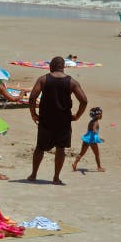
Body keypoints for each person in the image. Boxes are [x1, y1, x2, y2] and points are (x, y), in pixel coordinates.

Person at [28, 56, 88, 185]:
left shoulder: (43, 79)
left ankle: (33, 174)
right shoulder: (72, 82)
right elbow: (84, 100)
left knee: (40, 147)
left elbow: (32, 97)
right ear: (63, 67)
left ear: (51, 66)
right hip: (64, 121)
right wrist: (77, 115)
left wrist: (33, 114)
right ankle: (56, 177)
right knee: (60, 148)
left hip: (46, 119)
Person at [73, 107, 105, 172]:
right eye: (101, 114)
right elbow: (93, 130)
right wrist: (99, 137)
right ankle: (99, 167)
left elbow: (89, 131)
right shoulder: (96, 122)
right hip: (92, 140)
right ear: (98, 115)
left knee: (81, 153)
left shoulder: (91, 121)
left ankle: (75, 163)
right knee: (97, 154)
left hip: (86, 139)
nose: (101, 115)